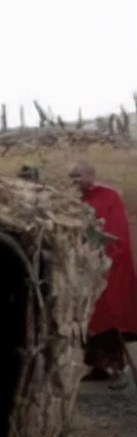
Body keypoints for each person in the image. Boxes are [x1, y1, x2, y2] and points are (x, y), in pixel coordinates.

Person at [70, 162, 137, 384]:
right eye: (72, 177)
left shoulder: (108, 197)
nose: (74, 180)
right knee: (91, 313)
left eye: (77, 176)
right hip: (89, 265)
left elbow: (115, 231)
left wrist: (104, 251)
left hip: (111, 264)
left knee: (110, 313)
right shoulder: (78, 200)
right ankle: (98, 365)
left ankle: (115, 365)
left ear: (90, 175)